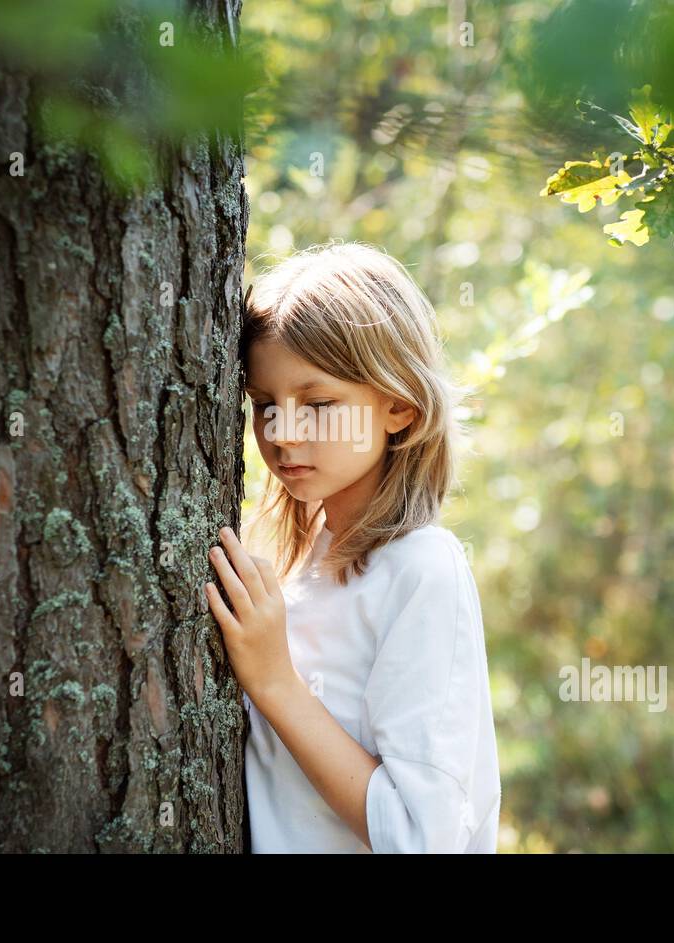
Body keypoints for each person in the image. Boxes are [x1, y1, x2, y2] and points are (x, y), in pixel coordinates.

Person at [204, 240, 501, 853]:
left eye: (317, 404)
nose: (282, 433)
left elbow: (421, 838)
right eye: (264, 405)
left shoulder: (422, 569)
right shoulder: (299, 561)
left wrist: (275, 682)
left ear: (400, 409)